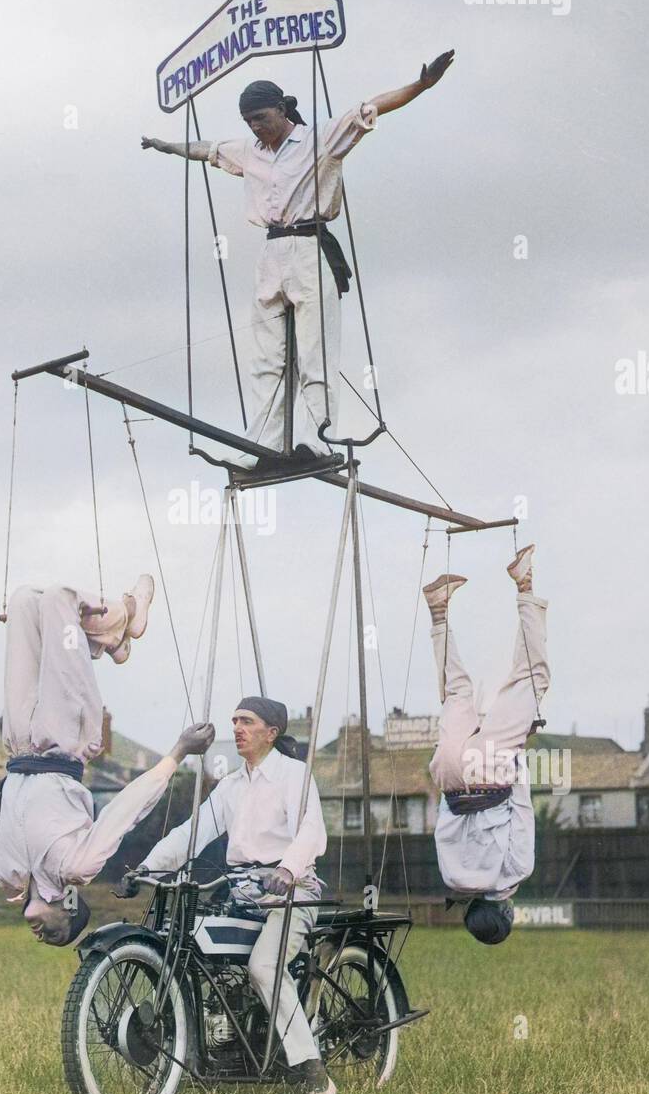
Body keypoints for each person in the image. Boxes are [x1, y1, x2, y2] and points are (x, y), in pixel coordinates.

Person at [141, 53, 454, 471]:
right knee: (267, 356)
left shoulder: (318, 139)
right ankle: (262, 444)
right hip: (272, 252)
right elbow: (208, 150)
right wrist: (166, 146)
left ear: (282, 110)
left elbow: (371, 107)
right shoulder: (250, 151)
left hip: (310, 244)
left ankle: (316, 438)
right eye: (248, 120)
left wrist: (421, 86)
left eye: (261, 117)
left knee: (314, 349)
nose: (255, 126)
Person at [0, 576, 215, 945]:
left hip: (18, 744)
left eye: (45, 939)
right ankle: (125, 617)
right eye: (58, 933)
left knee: (22, 601)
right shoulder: (77, 868)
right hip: (65, 737)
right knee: (59, 599)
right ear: (70, 905)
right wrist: (177, 753)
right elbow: (124, 811)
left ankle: (106, 638)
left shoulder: (6, 875)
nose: (41, 937)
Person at [125, 695, 335, 1094]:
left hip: (291, 892)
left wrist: (288, 869)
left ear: (271, 733)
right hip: (242, 891)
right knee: (202, 951)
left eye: (247, 721)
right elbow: (193, 831)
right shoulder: (232, 787)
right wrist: (146, 869)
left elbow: (311, 830)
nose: (237, 728)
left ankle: (314, 1074)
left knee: (264, 965)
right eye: (234, 720)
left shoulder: (295, 775)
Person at [422, 544, 547, 945]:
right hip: (448, 774)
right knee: (457, 692)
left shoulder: (516, 874)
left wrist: (517, 755)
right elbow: (444, 822)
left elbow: (522, 810)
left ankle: (525, 584)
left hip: (490, 771)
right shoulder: (451, 877)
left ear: (505, 911)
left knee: (533, 679)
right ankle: (438, 610)